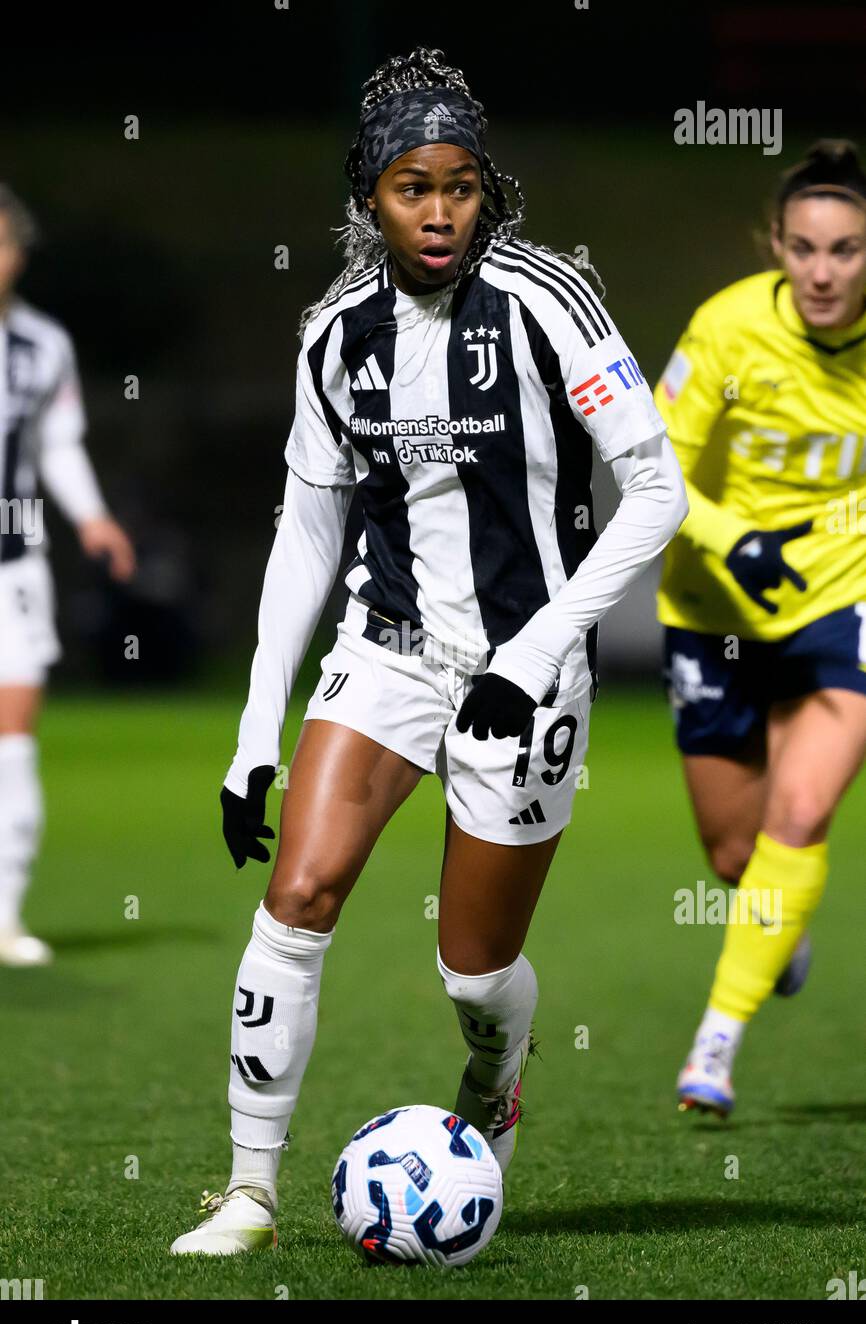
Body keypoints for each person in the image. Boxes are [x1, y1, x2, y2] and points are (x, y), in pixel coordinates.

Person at [171, 46, 686, 1256]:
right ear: (369, 197)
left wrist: (534, 652)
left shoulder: (549, 299)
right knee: (292, 899)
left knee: (471, 975)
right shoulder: (334, 336)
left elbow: (654, 490)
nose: (440, 209)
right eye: (413, 186)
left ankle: (497, 1066)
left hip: (530, 668)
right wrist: (256, 734)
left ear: (485, 189)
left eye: (460, 183)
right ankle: (247, 1191)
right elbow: (306, 539)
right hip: (387, 647)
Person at [656, 140, 866, 1117]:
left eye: (846, 250)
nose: (823, 272)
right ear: (773, 247)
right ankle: (773, 924)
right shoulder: (724, 330)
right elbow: (650, 468)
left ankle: (714, 1043)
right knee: (737, 856)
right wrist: (730, 539)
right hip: (711, 609)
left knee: (800, 815)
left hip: (840, 603)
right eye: (804, 248)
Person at [0, 186, 136, 967]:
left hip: (15, 564)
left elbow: (58, 443)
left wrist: (92, 518)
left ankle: (7, 915)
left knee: (13, 742)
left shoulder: (43, 344)